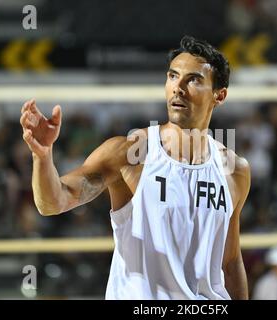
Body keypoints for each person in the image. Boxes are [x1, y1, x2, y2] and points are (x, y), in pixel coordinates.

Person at [19, 36, 251, 300]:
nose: (178, 88)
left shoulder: (235, 171)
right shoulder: (129, 154)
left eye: (194, 80)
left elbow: (230, 263)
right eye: (173, 76)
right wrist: (43, 155)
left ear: (219, 96)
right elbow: (52, 202)